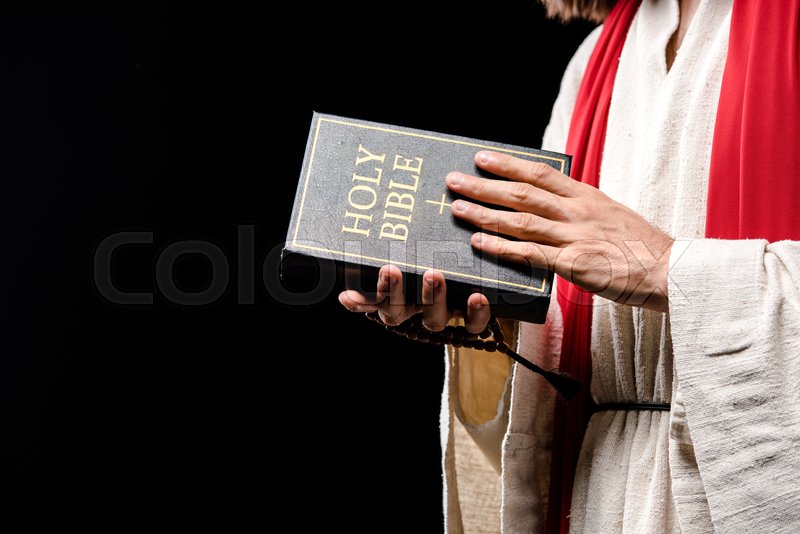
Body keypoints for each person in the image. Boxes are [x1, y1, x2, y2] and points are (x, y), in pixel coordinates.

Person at [339, 0, 800, 532]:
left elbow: (644, 266)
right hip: (596, 494)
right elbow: (567, 319)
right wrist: (493, 314)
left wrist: (667, 267)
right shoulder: (594, 63)